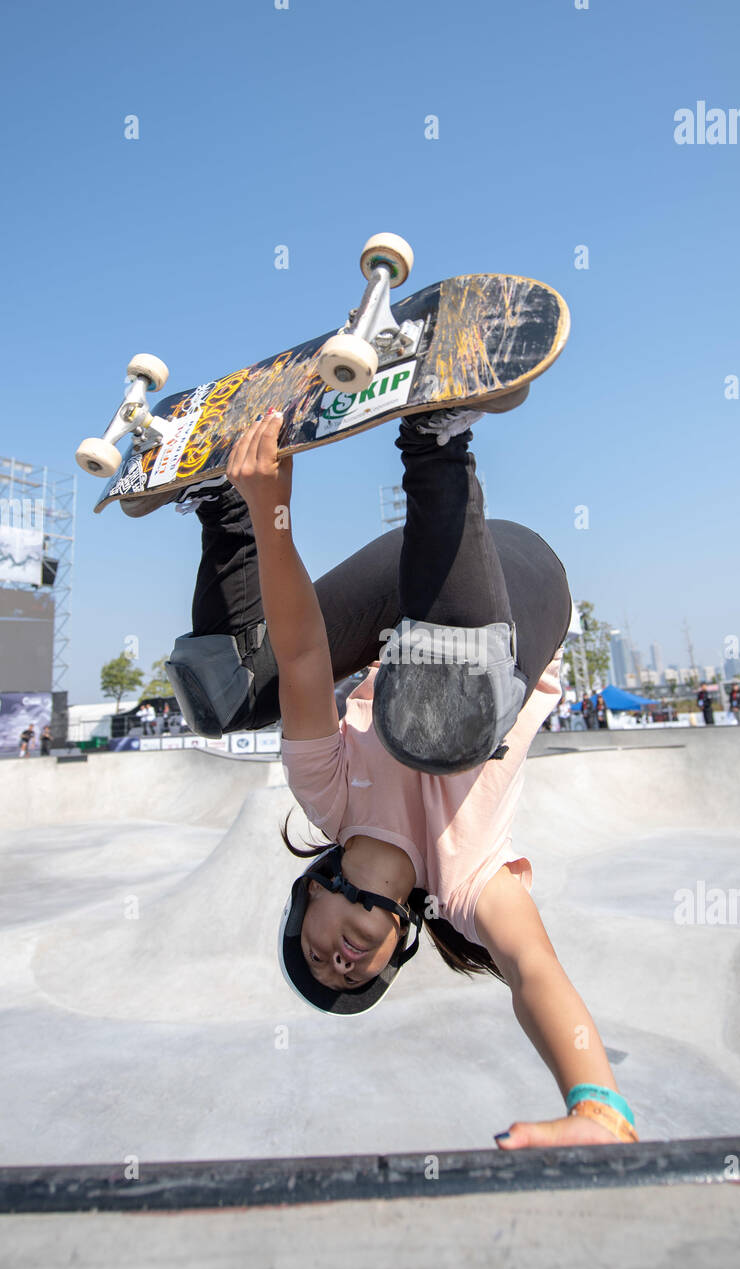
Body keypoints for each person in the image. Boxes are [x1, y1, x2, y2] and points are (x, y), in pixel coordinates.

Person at [156, 403, 639, 1150]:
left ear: (311, 893)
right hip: (522, 585)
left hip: (406, 591)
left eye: (320, 955)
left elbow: (309, 656)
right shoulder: (470, 886)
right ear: (398, 946)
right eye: (356, 973)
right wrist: (597, 1107)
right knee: (435, 723)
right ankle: (438, 440)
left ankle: (223, 502)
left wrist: (271, 509)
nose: (340, 961)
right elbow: (532, 970)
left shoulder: (323, 796)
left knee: (232, 693)